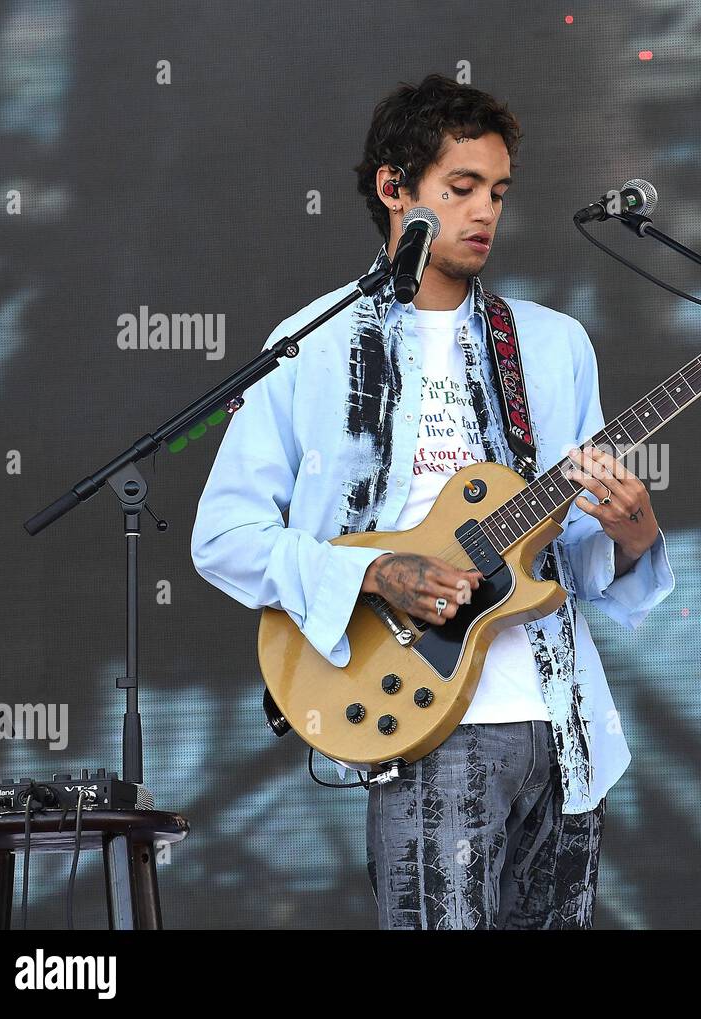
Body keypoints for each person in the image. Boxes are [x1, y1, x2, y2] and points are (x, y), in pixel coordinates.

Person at [190, 73, 675, 929]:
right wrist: (379, 572)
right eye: (461, 189)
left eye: (497, 191)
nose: (485, 210)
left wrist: (633, 535)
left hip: (564, 729)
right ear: (393, 187)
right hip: (420, 716)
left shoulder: (555, 346)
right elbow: (224, 536)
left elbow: (578, 564)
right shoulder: (311, 344)